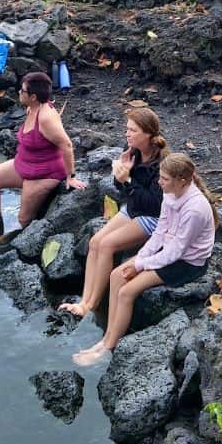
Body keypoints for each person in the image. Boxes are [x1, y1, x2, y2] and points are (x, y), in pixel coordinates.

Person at [72, 153, 217, 367]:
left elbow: (175, 253)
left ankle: (109, 346)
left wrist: (140, 265)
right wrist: (140, 258)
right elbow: (159, 232)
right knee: (116, 275)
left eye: (165, 179)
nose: (159, 183)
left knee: (127, 291)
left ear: (182, 181)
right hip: (169, 251)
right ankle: (107, 335)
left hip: (188, 264)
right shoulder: (170, 194)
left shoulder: (195, 209)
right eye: (160, 177)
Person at [59, 107, 167, 317]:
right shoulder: (134, 153)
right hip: (134, 209)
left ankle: (91, 305)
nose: (127, 134)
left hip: (153, 217)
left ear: (148, 134)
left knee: (107, 245)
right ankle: (85, 298)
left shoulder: (161, 163)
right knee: (94, 242)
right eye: (127, 129)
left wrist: (127, 179)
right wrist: (120, 178)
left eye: (132, 130)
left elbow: (155, 204)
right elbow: (123, 191)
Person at [0, 72, 85, 253]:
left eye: (22, 91)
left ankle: (25, 247)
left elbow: (67, 144)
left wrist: (71, 176)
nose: (19, 93)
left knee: (23, 219)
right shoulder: (31, 108)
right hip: (24, 164)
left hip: (44, 173)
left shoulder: (46, 118)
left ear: (33, 96)